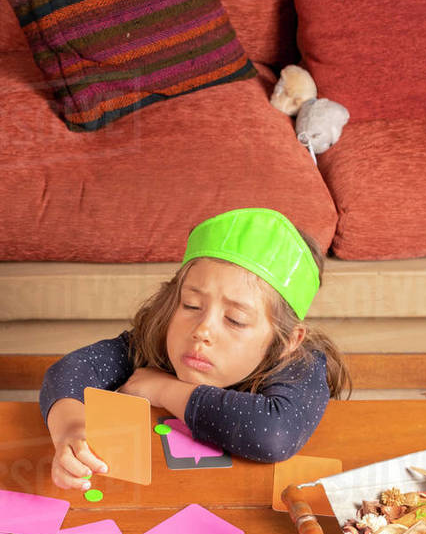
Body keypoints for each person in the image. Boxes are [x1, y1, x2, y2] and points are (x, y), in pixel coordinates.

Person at [41, 208, 350, 489]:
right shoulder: (161, 335)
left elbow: (273, 435)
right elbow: (70, 372)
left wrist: (163, 390)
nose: (202, 330)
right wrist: (70, 429)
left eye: (235, 319)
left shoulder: (301, 365)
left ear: (287, 340)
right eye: (191, 305)